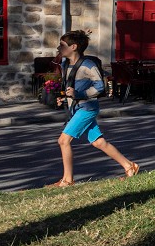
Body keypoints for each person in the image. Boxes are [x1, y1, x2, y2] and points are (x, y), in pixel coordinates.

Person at [48, 30, 139, 186]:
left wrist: (79, 94)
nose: (58, 48)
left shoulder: (88, 65)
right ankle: (130, 166)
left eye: (62, 45)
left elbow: (100, 87)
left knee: (63, 140)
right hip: (76, 108)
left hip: (87, 108)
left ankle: (67, 180)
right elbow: (71, 88)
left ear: (73, 47)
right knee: (98, 142)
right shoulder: (66, 65)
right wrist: (63, 98)